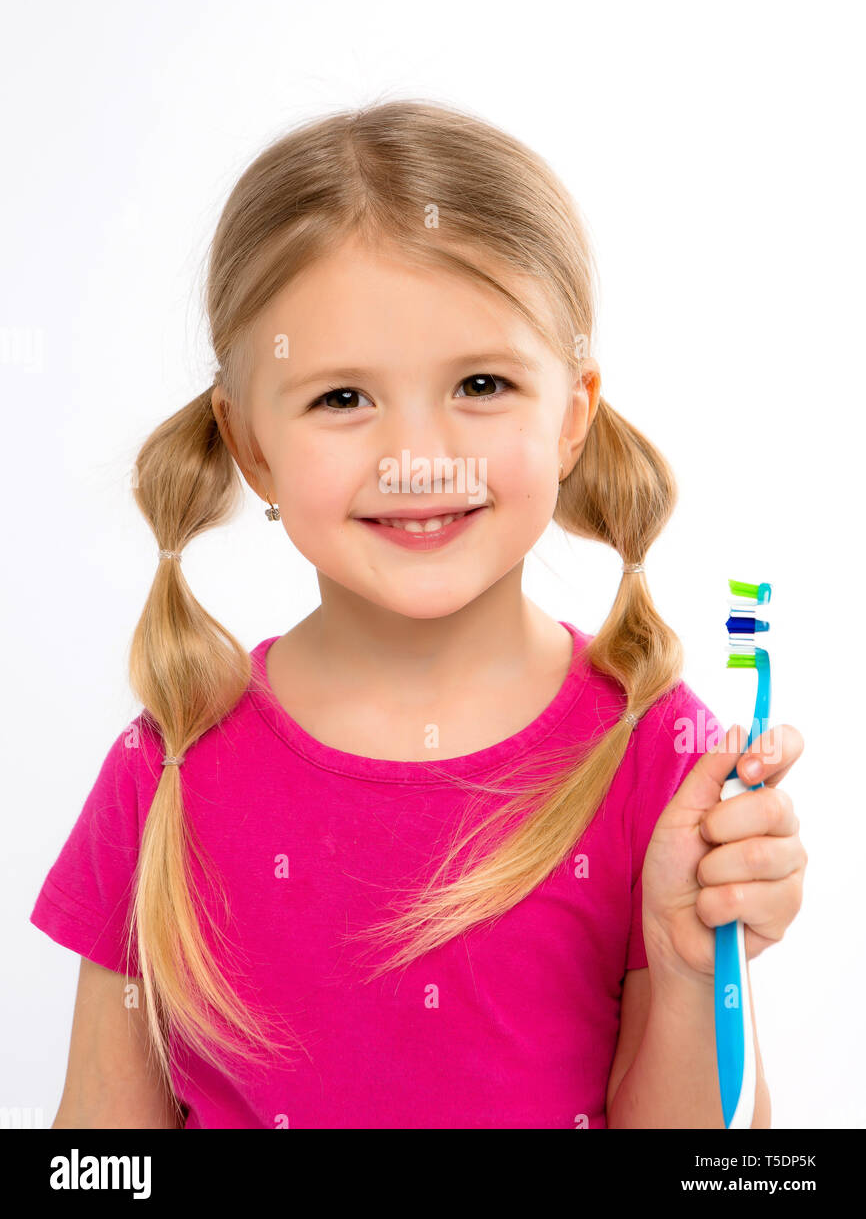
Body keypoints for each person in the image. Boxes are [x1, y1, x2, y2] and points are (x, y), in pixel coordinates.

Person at [30, 99, 806, 1128]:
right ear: (248, 442)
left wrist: (678, 962)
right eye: (342, 398)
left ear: (570, 416)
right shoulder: (167, 770)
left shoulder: (660, 761)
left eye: (479, 383)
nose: (415, 457)